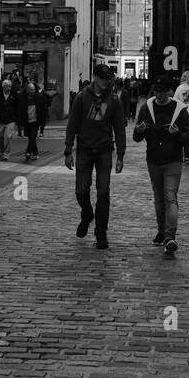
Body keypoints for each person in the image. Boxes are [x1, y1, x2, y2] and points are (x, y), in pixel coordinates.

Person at [64, 63, 126, 250]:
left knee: (103, 193)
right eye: (104, 78)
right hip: (84, 150)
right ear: (96, 78)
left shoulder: (114, 100)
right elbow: (72, 125)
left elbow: (119, 129)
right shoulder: (82, 98)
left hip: (104, 151)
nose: (107, 81)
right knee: (81, 191)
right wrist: (68, 150)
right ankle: (87, 214)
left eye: (109, 78)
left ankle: (101, 233)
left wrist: (121, 155)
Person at [133, 73, 189, 256]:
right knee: (159, 199)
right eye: (157, 91)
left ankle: (169, 237)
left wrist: (176, 134)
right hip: (153, 160)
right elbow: (136, 137)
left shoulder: (179, 109)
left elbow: (188, 136)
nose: (159, 95)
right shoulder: (147, 108)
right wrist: (139, 130)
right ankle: (161, 230)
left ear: (169, 91)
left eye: (163, 92)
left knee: (170, 197)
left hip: (173, 160)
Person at [0, 75, 18, 160]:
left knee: (8, 137)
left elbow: (18, 107)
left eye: (9, 86)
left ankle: (6, 153)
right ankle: (2, 151)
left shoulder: (14, 94)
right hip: (0, 119)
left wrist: (17, 118)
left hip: (10, 120)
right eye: (6, 86)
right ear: (3, 87)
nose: (8, 88)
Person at [17, 80, 41, 161]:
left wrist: (42, 122)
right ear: (27, 90)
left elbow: (42, 110)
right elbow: (20, 110)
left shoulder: (38, 97)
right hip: (27, 122)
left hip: (35, 122)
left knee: (33, 137)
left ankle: (28, 152)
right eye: (31, 90)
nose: (33, 91)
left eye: (34, 89)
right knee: (31, 138)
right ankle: (36, 153)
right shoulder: (23, 98)